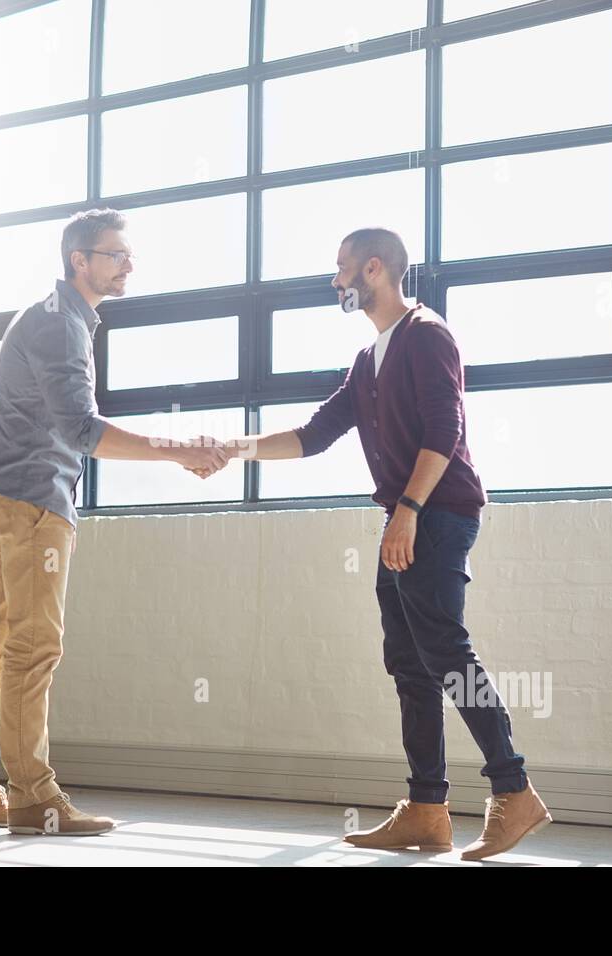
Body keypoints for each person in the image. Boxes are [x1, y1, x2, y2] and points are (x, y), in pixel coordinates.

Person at [215, 227, 551, 860]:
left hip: (436, 514)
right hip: (408, 517)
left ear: (373, 269)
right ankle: (427, 809)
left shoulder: (427, 334)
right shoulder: (369, 360)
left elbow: (445, 429)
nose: (334, 281)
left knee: (446, 650)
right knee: (410, 663)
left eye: (341, 269)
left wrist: (410, 509)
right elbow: (314, 435)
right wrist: (236, 449)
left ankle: (515, 790)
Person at [0, 208, 227, 836]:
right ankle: (34, 797)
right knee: (33, 648)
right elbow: (81, 429)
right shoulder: (61, 326)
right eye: (115, 254)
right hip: (33, 503)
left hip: (7, 493)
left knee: (1, 639)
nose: (129, 264)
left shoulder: (60, 318)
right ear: (80, 260)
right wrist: (177, 450)